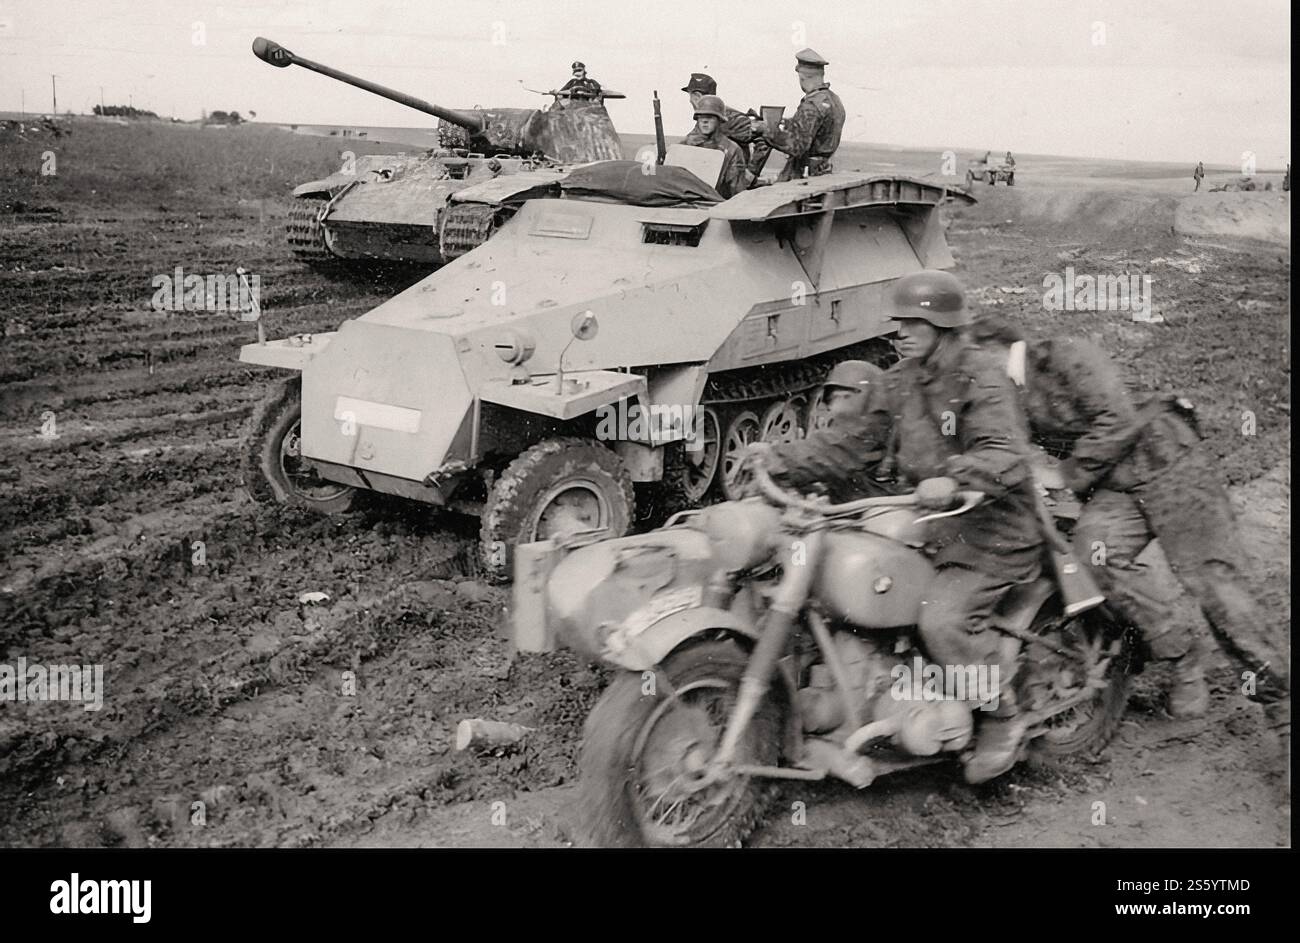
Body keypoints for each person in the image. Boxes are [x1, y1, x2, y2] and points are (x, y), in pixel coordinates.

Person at [762, 271, 1045, 783]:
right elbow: (851, 443)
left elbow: (1006, 455)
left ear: (944, 325)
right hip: (932, 525)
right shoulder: (901, 380)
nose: (902, 332)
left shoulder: (982, 377)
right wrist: (779, 458)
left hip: (991, 531)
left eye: (916, 322)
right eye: (900, 323)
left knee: (943, 621)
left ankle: (1001, 716)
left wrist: (956, 477)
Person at [969, 316, 1290, 750]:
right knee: (1089, 558)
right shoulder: (1004, 395)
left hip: (1169, 463)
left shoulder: (1063, 355)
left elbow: (1116, 419)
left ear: (1000, 347)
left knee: (1215, 584)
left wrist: (1062, 475)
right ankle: (1181, 652)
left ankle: (1283, 708)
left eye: (976, 358)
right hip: (1119, 487)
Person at [755, 360, 894, 501]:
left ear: (869, 397)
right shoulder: (853, 419)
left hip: (879, 503)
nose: (836, 406)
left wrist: (779, 456)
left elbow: (838, 451)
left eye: (846, 396)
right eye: (834, 397)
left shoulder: (875, 422)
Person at [749, 48, 845, 181]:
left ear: (802, 76)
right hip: (823, 172)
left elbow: (797, 146)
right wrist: (785, 123)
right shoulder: (833, 99)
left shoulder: (811, 105)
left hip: (804, 176)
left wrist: (766, 129)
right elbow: (815, 129)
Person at [682, 95, 753, 198]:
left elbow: (737, 192)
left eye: (710, 117)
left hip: (716, 203)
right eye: (701, 117)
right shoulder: (684, 146)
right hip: (684, 202)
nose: (704, 121)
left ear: (720, 120)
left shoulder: (731, 150)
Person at [681, 73, 756, 162]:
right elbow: (693, 139)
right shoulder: (705, 118)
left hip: (732, 170)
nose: (690, 101)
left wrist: (752, 171)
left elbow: (765, 133)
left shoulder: (731, 117)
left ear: (698, 97)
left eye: (691, 96)